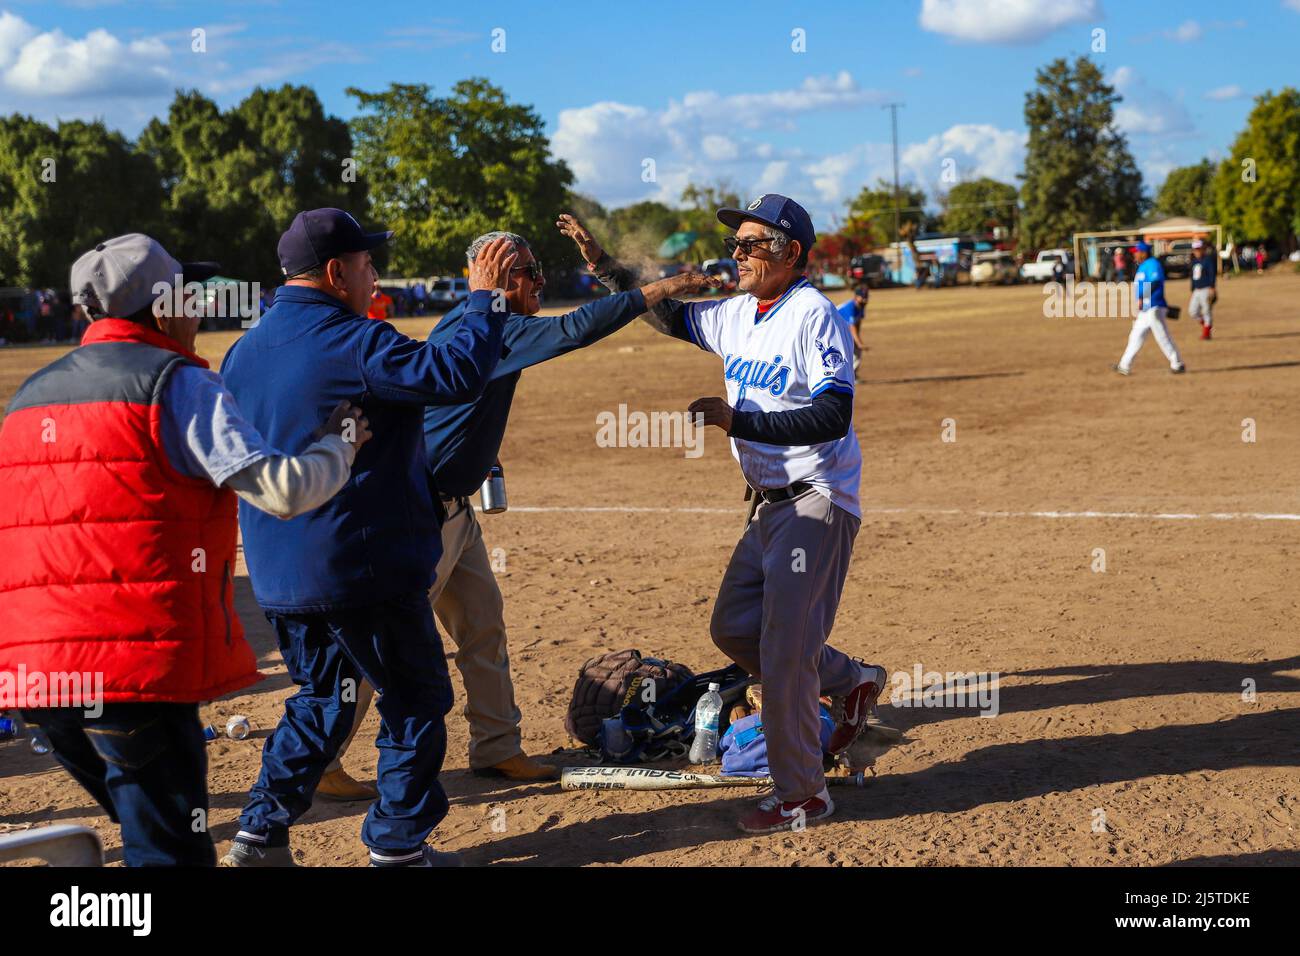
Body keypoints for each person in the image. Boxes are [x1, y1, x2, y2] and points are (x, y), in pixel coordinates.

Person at [0, 233, 368, 866]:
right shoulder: (176, 384)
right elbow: (283, 490)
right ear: (165, 306)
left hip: (38, 684)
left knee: (158, 833)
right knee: (171, 855)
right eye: (190, 293)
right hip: (131, 674)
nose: (198, 306)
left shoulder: (30, 396)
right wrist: (343, 440)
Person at [325, 226, 714, 786]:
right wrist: (666, 287)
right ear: (504, 280)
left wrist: (483, 454)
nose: (541, 280)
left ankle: (496, 747)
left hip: (454, 508)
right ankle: (322, 758)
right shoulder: (496, 325)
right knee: (381, 643)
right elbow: (577, 329)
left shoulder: (475, 323)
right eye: (531, 271)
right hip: (420, 515)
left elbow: (453, 409)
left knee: (483, 627)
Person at [578, 194, 888, 834]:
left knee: (781, 654)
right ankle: (852, 679)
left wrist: (737, 419)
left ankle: (803, 795)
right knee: (734, 628)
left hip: (816, 498)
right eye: (736, 244)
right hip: (770, 506)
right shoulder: (735, 314)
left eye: (752, 244)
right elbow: (666, 318)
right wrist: (607, 266)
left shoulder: (813, 316)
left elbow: (835, 416)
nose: (738, 254)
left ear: (790, 253)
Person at [218, 208, 514, 868]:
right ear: (336, 271)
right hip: (362, 565)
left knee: (324, 700)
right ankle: (398, 845)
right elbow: (457, 374)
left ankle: (260, 832)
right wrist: (485, 296)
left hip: (277, 570)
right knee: (415, 699)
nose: (374, 276)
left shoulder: (243, 350)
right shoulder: (357, 340)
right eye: (367, 264)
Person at [1113, 240, 1184, 376]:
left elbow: (1156, 281)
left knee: (1162, 336)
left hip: (1154, 306)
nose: (1135, 255)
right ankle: (1124, 365)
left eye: (1137, 252)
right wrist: (1140, 299)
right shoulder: (1143, 266)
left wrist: (1142, 296)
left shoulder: (1153, 264)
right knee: (1135, 336)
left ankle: (1177, 363)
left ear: (1144, 253)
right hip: (1145, 309)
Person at [835, 285, 869, 379]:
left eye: (866, 297)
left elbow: (858, 323)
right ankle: (846, 377)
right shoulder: (850, 307)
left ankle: (852, 376)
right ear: (856, 297)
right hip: (834, 331)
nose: (865, 299)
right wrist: (859, 343)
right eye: (863, 297)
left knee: (857, 352)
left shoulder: (861, 306)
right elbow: (852, 327)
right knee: (843, 355)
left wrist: (858, 339)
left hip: (843, 331)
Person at [1188, 239, 1217, 341]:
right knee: (1192, 311)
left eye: (1198, 249)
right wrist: (1192, 289)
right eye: (1195, 249)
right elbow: (1192, 277)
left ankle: (1206, 332)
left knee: (1206, 311)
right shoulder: (1194, 261)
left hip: (1206, 288)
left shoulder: (1207, 260)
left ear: (1203, 249)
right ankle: (1206, 325)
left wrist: (1212, 287)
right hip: (1197, 290)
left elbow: (1212, 274)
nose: (1197, 251)